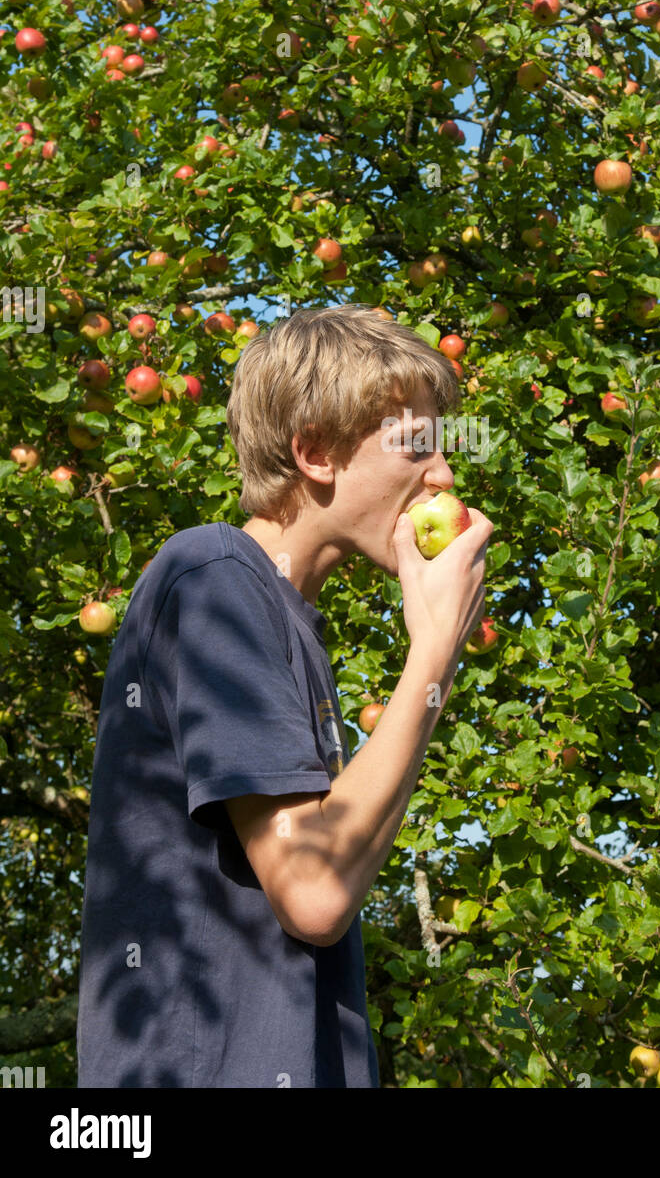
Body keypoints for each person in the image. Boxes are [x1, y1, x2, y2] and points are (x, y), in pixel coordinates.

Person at [76, 304, 492, 1088]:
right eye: (417, 447)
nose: (442, 477)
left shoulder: (286, 623)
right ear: (314, 453)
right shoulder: (214, 574)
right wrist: (433, 652)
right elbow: (313, 891)